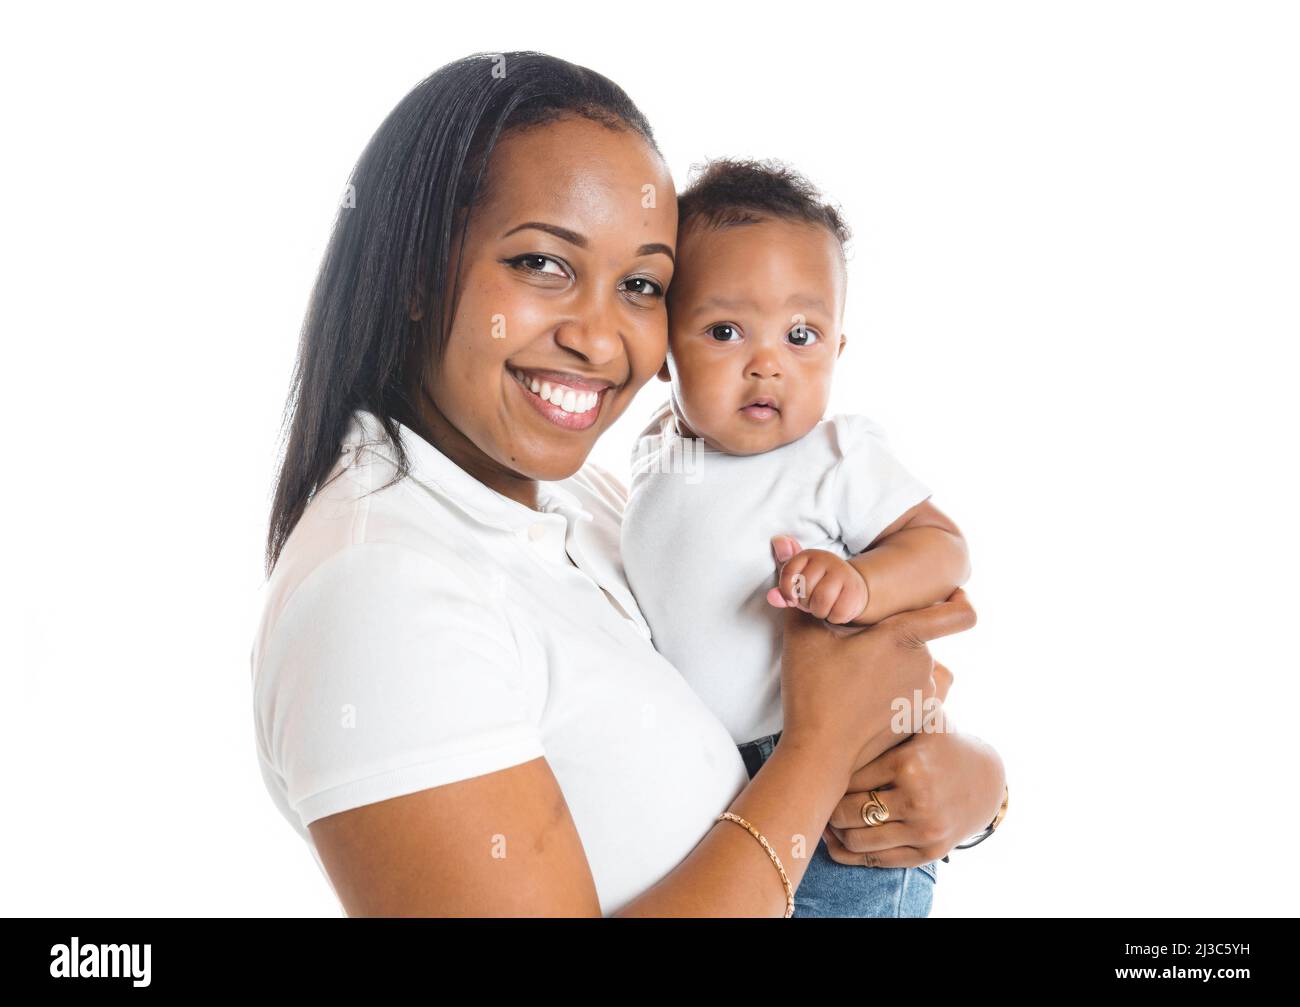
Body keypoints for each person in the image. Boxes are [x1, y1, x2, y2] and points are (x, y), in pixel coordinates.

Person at [251, 50, 1005, 917]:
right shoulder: (376, 592)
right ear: (418, 270)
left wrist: (968, 792)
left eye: (640, 284)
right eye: (542, 264)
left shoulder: (595, 503)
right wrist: (820, 754)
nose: (603, 340)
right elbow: (813, 744)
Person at [621, 158, 972, 916]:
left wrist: (864, 582)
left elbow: (943, 547)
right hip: (729, 787)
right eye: (724, 331)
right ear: (663, 350)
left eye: (802, 334)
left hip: (838, 776)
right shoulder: (660, 449)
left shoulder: (834, 456)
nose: (767, 363)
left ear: (838, 349)